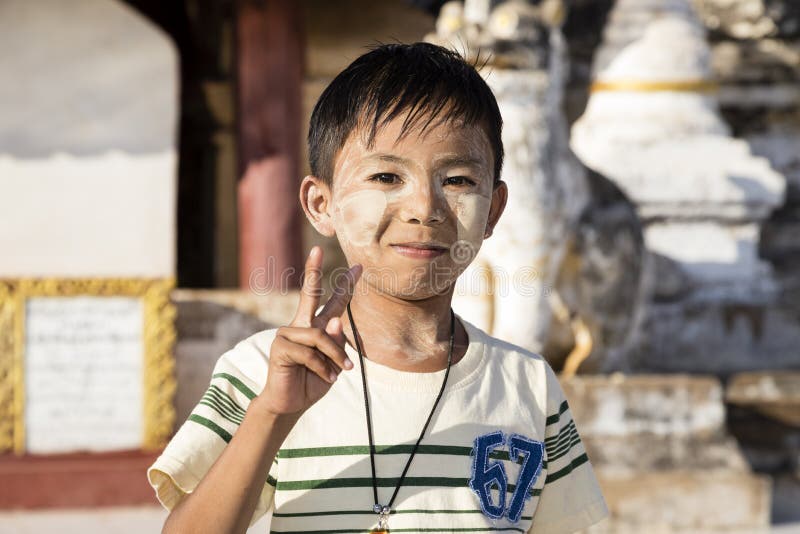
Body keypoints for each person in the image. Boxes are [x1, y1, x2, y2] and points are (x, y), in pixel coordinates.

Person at [148, 42, 608, 534]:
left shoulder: (528, 386)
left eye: (457, 179)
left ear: (493, 210)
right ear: (321, 204)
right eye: (387, 176)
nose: (423, 208)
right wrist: (272, 415)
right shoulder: (264, 372)